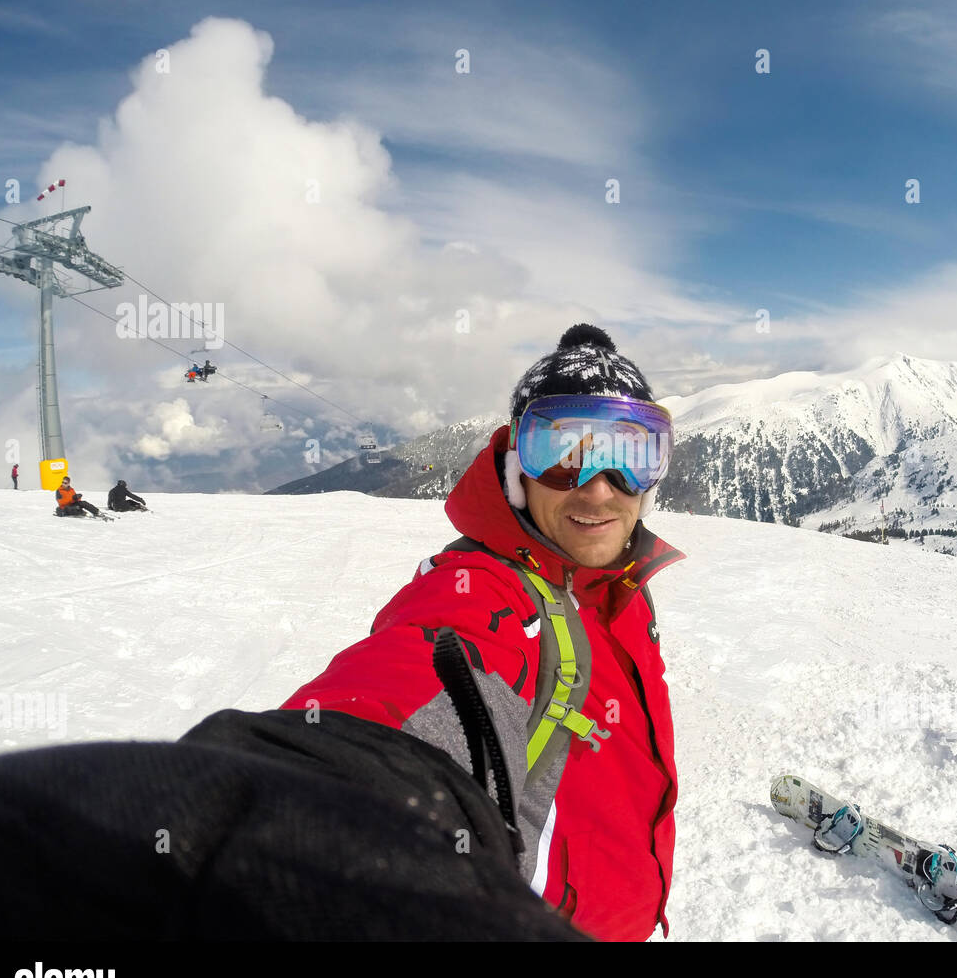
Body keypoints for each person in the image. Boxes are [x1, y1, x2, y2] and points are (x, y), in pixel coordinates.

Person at [282, 324, 684, 942]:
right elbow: (410, 686)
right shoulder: (483, 594)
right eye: (565, 454)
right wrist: (291, 816)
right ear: (518, 467)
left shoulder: (620, 585)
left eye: (632, 456)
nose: (601, 489)